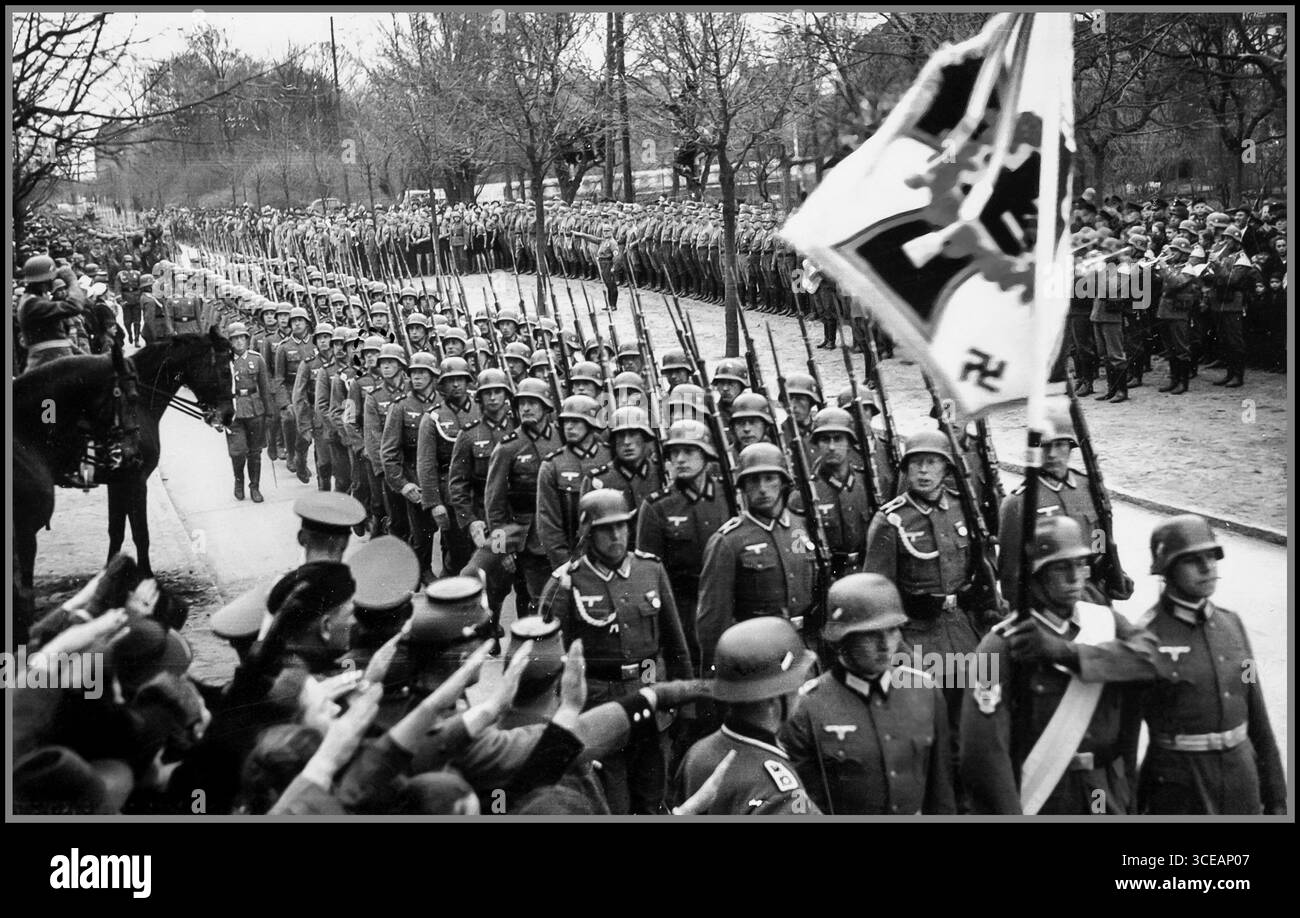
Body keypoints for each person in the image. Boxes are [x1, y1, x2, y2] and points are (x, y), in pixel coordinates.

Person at [960, 517, 1160, 815]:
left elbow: (1151, 661)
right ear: (1037, 576)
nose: (1074, 577)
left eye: (1079, 565)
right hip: (1042, 795)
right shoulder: (1000, 644)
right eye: (1060, 567)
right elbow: (984, 751)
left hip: (1104, 790)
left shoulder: (1105, 621)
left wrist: (1064, 653)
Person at [538, 489, 692, 813]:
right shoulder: (568, 582)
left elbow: (675, 642)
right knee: (612, 803)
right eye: (606, 529)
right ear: (587, 533)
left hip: (652, 700)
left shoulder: (650, 570)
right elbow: (548, 658)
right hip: (601, 707)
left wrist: (685, 704)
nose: (616, 535)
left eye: (622, 526)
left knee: (653, 797)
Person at [1135, 515, 1286, 815]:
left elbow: (1258, 717)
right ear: (1167, 568)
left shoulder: (1232, 624)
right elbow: (1125, 737)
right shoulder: (1145, 636)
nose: (1208, 568)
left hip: (1241, 779)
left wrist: (1277, 795)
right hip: (1179, 788)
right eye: (1193, 560)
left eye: (1212, 557)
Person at [780, 574, 956, 814]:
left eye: (893, 630)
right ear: (843, 638)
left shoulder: (924, 690)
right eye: (872, 634)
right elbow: (802, 805)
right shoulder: (807, 708)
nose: (885, 645)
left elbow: (941, 792)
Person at [672, 617, 820, 815]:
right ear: (775, 699)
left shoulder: (698, 753)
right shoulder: (777, 790)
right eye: (794, 685)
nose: (800, 692)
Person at [695, 443, 818, 676]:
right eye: (753, 481)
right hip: (758, 657)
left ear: (783, 482)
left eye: (770, 478)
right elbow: (713, 622)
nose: (762, 489)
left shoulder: (800, 527)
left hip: (804, 649)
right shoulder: (729, 541)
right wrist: (715, 679)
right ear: (742, 487)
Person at [482, 378, 562, 617]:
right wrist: (500, 550)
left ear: (546, 406)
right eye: (521, 404)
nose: (525, 408)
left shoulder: (563, 438)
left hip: (560, 534)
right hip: (526, 539)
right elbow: (493, 503)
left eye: (532, 403)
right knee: (531, 599)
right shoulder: (508, 447)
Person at [536, 395, 613, 571]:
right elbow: (548, 523)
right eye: (566, 422)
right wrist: (564, 564)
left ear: (591, 424)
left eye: (576, 421)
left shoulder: (610, 456)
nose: (569, 427)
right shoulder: (553, 465)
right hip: (571, 554)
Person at [225, 322, 274, 503]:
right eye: (235, 338)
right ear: (230, 341)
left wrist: (269, 414)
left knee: (255, 452)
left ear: (247, 339)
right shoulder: (225, 361)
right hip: (234, 410)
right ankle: (239, 481)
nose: (239, 342)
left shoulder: (257, 359)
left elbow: (265, 387)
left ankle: (255, 486)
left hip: (255, 409)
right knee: (237, 452)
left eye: (242, 337)